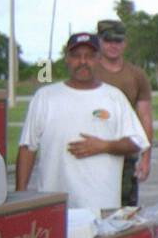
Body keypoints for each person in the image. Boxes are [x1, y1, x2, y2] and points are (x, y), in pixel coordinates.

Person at [15, 32, 149, 212]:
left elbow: (136, 142)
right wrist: (19, 196)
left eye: (90, 56)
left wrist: (104, 146)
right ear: (67, 59)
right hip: (55, 207)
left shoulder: (114, 97)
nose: (83, 62)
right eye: (76, 56)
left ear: (99, 59)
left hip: (101, 206)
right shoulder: (45, 97)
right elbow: (27, 147)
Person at [93, 18, 154, 206]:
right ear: (99, 41)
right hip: (93, 151)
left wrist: (146, 157)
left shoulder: (137, 75)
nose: (113, 45)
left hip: (126, 152)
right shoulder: (89, 71)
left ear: (125, 43)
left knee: (126, 210)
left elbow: (145, 117)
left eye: (117, 41)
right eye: (108, 40)